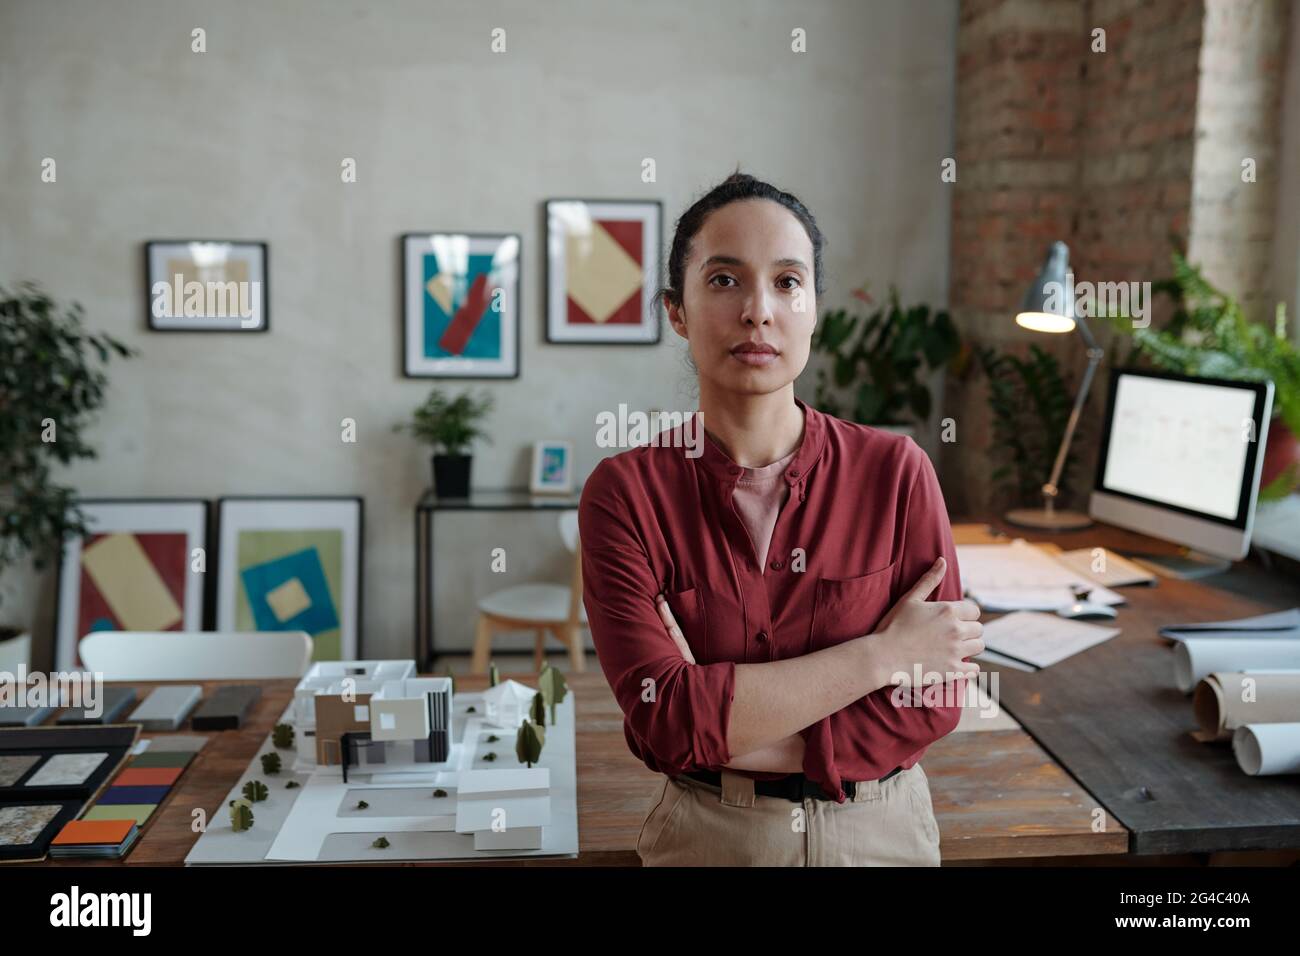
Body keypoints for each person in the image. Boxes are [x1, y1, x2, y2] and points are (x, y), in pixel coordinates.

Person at [578, 171, 983, 866]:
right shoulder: (625, 495)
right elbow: (663, 715)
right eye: (725, 280)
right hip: (709, 835)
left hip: (882, 833)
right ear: (676, 310)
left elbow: (934, 701)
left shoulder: (896, 472)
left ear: (815, 307)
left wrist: (714, 720)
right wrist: (881, 655)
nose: (759, 310)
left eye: (788, 282)